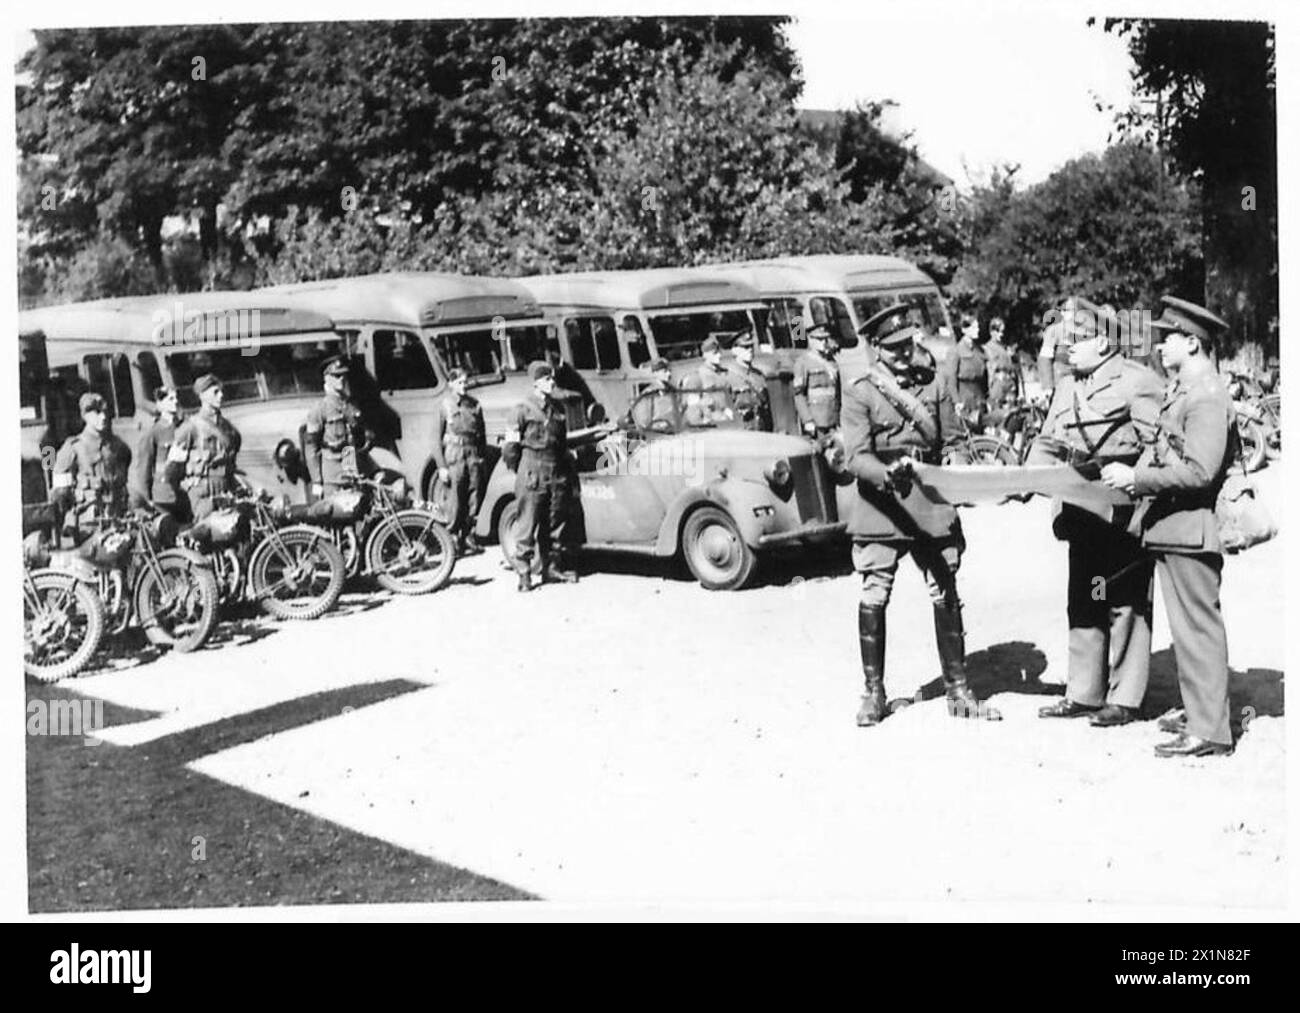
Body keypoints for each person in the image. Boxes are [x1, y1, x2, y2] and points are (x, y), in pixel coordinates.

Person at [841, 305, 1002, 727]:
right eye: (890, 349)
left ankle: (958, 689)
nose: (900, 355)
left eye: (905, 347)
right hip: (881, 503)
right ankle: (874, 693)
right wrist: (886, 474)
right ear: (875, 348)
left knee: (945, 589)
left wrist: (956, 463)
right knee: (875, 591)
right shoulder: (861, 390)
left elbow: (953, 440)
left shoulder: (933, 385)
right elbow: (855, 457)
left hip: (928, 500)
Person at [1101, 296, 1237, 758]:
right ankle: (1203, 719)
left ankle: (1211, 731)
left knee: (1198, 630)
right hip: (1174, 529)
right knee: (1189, 631)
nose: (1159, 346)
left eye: (1169, 339)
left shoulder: (1206, 395)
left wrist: (1135, 478)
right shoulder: (1186, 388)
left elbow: (1200, 471)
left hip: (1191, 530)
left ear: (1193, 344)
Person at [1027, 308, 1164, 727]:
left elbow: (1158, 444)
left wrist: (1133, 478)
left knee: (1125, 598)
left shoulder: (1137, 381)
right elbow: (1048, 442)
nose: (1067, 348)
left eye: (1077, 339)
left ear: (1103, 342)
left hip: (1122, 507)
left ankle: (1126, 697)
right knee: (1086, 596)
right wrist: (1022, 479)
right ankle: (1084, 692)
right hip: (1079, 506)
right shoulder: (1067, 384)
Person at [503, 361, 578, 592]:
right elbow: (510, 448)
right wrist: (522, 470)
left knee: (555, 521)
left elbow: (562, 442)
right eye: (547, 379)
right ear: (536, 383)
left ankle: (551, 568)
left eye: (552, 379)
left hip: (555, 468)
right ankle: (524, 574)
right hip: (532, 469)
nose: (552, 382)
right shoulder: (521, 409)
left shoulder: (557, 409)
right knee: (527, 522)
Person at [51, 392, 132, 539]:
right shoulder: (73, 447)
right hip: (87, 525)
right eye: (97, 412)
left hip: (117, 518)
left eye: (105, 412)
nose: (103, 417)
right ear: (85, 415)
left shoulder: (118, 446)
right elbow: (60, 496)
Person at [166, 374, 241, 521]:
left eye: (221, 391)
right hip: (202, 495)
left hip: (225, 491)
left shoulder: (228, 428)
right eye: (215, 392)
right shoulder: (190, 427)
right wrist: (188, 489)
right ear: (202, 396)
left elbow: (232, 460)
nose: (221, 395)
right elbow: (171, 470)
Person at [432, 367, 487, 553]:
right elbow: (435, 439)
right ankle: (452, 538)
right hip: (455, 454)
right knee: (456, 497)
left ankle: (468, 534)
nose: (464, 386)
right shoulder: (445, 405)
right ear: (451, 384)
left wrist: (482, 457)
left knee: (474, 495)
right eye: (460, 382)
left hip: (473, 454)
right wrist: (441, 467)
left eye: (465, 382)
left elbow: (482, 435)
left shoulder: (475, 405)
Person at [303, 355, 372, 496]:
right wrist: (316, 481)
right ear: (327, 378)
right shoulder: (320, 409)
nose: (342, 379)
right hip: (332, 476)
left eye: (343, 376)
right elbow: (311, 448)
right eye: (337, 376)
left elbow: (357, 440)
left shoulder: (350, 406)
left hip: (351, 469)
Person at [130, 385, 188, 520]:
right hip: (163, 495)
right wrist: (147, 498)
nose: (175, 402)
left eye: (176, 399)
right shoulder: (153, 432)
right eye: (170, 399)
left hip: (184, 490)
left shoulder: (184, 427)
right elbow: (144, 468)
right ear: (160, 404)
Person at [791, 323, 841, 442]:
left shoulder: (832, 361)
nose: (823, 343)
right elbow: (799, 395)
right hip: (816, 418)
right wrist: (807, 420)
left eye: (825, 339)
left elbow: (838, 392)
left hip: (833, 417)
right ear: (810, 339)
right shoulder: (803, 362)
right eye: (819, 339)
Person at [682, 335, 735, 426]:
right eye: (715, 353)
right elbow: (692, 409)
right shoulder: (697, 377)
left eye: (719, 352)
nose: (719, 355)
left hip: (729, 420)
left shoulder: (724, 373)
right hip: (711, 424)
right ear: (705, 355)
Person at [949, 315, 990, 428]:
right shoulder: (956, 351)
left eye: (977, 327)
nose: (978, 330)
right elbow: (951, 381)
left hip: (979, 397)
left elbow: (984, 378)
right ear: (964, 330)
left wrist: (986, 399)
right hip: (965, 398)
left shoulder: (980, 351)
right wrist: (957, 402)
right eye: (974, 327)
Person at [726, 329, 771, 431]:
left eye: (751, 346)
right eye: (745, 347)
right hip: (743, 432)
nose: (750, 350)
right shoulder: (729, 378)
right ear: (735, 350)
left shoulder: (758, 375)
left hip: (762, 429)